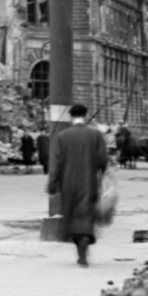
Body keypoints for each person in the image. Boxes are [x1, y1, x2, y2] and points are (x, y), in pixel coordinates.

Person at [48, 103, 108, 268]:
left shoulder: (62, 136)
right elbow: (103, 159)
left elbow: (56, 162)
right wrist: (103, 173)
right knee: (86, 212)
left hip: (68, 183)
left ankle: (78, 245)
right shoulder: (95, 135)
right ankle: (85, 240)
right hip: (89, 181)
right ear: (86, 115)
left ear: (70, 117)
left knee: (71, 213)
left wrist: (52, 183)